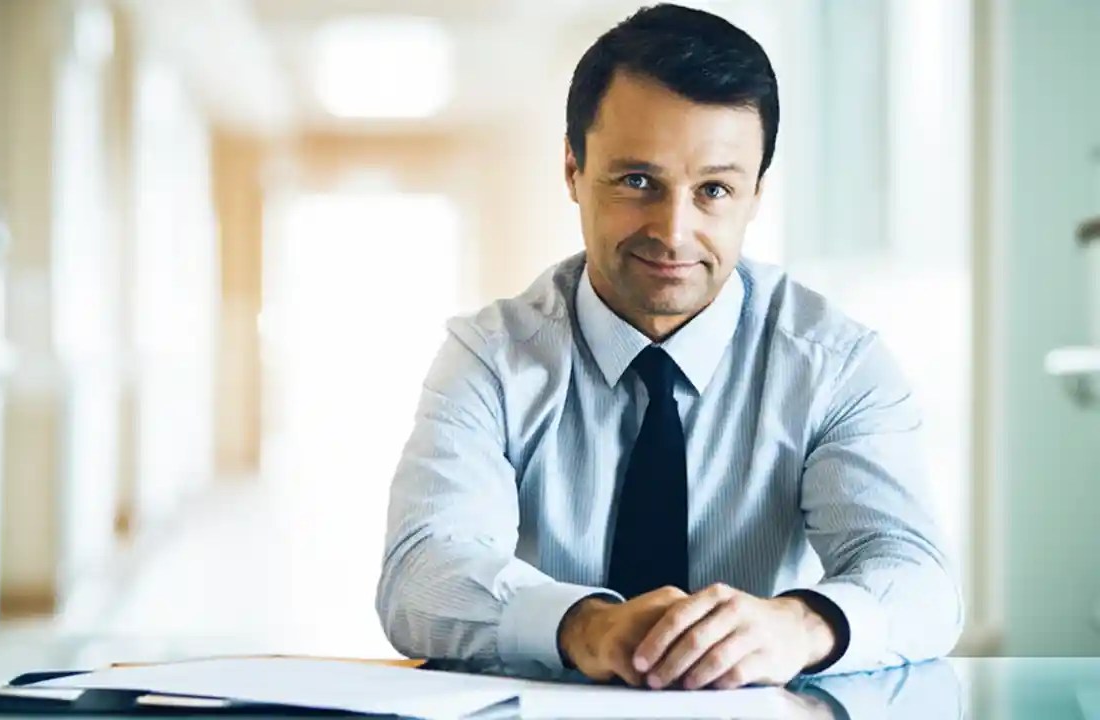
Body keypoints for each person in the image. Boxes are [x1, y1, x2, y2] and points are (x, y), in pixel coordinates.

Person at [376, 3, 962, 691]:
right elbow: (421, 574)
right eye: (637, 182)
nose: (674, 231)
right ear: (572, 168)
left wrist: (798, 626)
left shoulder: (835, 363)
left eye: (714, 189)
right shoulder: (490, 356)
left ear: (755, 195)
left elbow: (919, 579)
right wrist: (586, 625)